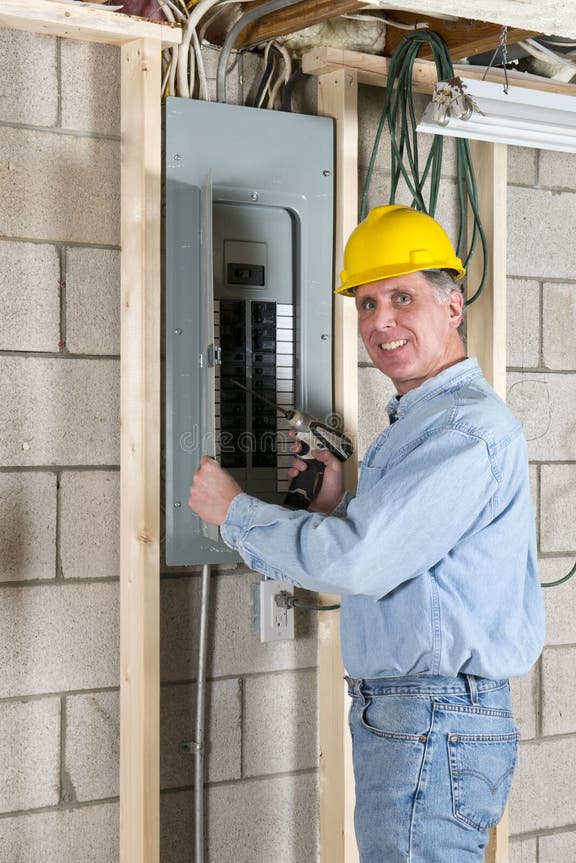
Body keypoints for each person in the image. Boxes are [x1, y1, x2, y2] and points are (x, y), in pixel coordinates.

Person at [188, 204, 545, 863]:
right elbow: (417, 559)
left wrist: (235, 511)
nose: (380, 322)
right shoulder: (423, 423)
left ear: (452, 306)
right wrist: (338, 504)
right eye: (366, 302)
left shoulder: (461, 430)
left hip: (429, 716)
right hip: (419, 717)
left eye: (401, 297)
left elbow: (363, 562)